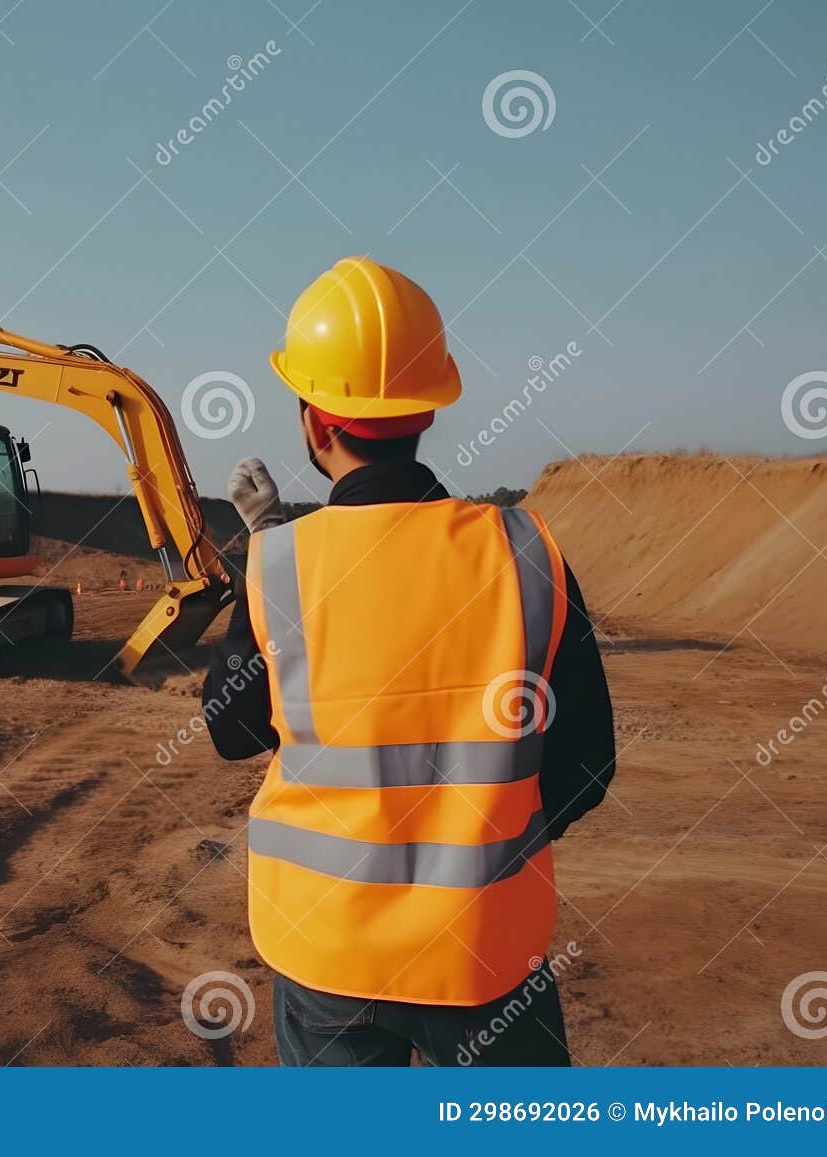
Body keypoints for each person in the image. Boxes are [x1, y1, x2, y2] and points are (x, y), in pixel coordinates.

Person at [204, 256, 615, 1067]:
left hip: (329, 951)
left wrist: (263, 553)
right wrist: (492, 846)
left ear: (314, 420)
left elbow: (231, 731)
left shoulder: (281, 565)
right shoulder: (527, 553)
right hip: (486, 952)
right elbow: (589, 762)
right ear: (429, 406)